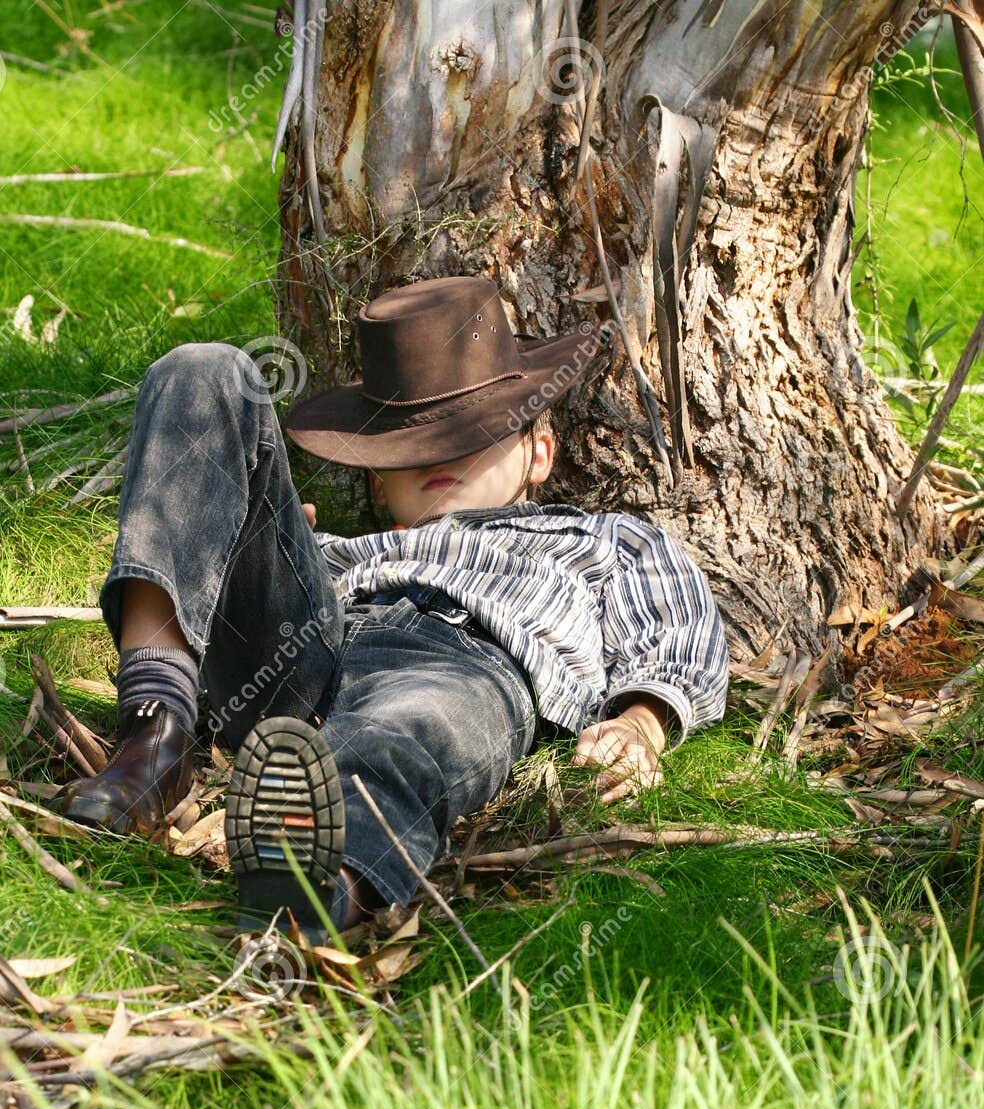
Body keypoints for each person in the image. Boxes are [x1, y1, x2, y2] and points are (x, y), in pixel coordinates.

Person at [54, 275, 729, 936]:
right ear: (378, 481)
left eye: (476, 431)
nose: (444, 455)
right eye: (413, 447)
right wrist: (261, 538)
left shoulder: (600, 540)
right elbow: (219, 576)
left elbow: (678, 630)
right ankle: (154, 738)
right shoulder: (353, 548)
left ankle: (312, 886)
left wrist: (640, 723)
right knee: (201, 370)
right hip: (310, 641)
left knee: (410, 728)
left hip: (468, 658)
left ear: (539, 452)